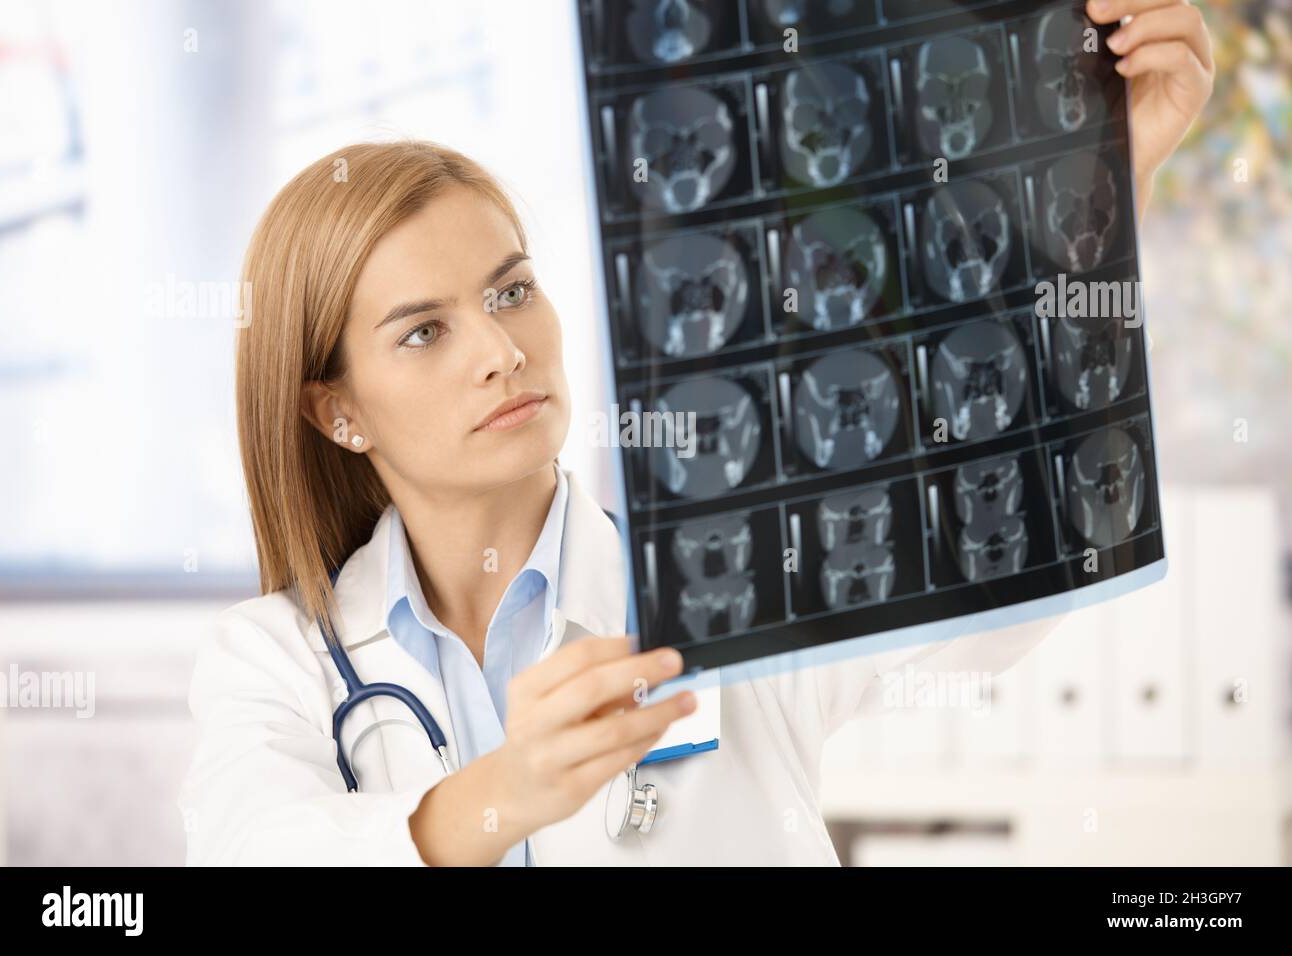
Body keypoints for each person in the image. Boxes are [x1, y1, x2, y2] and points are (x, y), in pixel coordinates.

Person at [177, 0, 1212, 866]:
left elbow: (1005, 581)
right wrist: (509, 791)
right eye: (422, 332)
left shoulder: (737, 575)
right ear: (336, 409)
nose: (498, 350)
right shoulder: (276, 662)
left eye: (511, 291)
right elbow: (251, 845)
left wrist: (1098, 189)